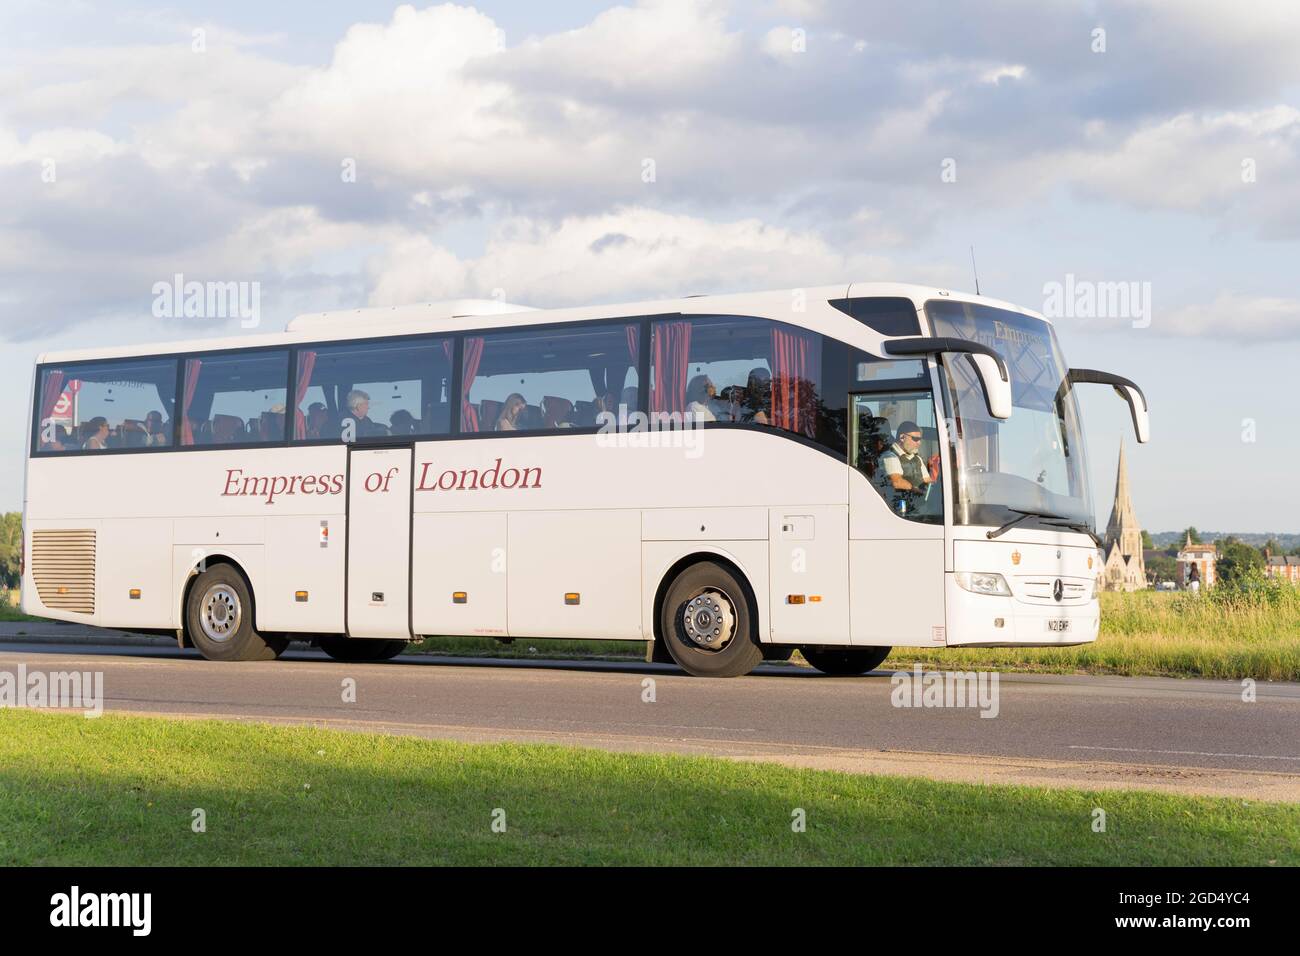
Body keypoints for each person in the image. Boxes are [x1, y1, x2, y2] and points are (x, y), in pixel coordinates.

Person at [878, 420, 939, 513]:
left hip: (918, 507)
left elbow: (927, 481)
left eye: (920, 439)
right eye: (915, 439)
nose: (919, 443)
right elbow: (897, 482)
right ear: (902, 437)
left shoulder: (917, 459)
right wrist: (920, 491)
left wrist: (935, 489)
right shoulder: (889, 456)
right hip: (899, 509)